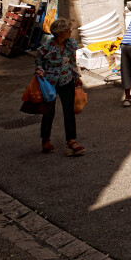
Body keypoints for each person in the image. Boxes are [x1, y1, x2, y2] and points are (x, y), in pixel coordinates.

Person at [35, 17, 84, 156]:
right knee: (48, 111)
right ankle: (45, 139)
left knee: (69, 111)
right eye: (68, 29)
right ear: (60, 32)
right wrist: (39, 70)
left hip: (66, 80)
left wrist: (76, 77)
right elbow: (39, 62)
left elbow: (73, 62)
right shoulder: (46, 48)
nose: (71, 31)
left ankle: (71, 141)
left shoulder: (71, 44)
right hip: (49, 83)